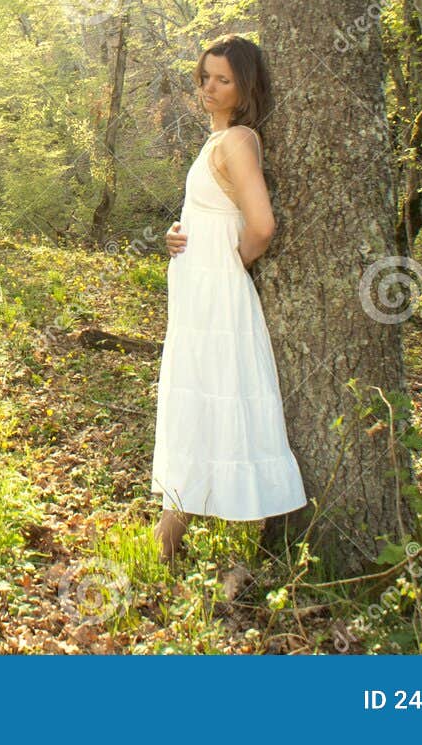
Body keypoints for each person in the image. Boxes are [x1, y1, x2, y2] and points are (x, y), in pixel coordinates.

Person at [150, 35, 306, 564]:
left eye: (224, 80)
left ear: (245, 88)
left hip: (216, 295)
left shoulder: (238, 140)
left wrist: (224, 265)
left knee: (216, 396)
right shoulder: (217, 140)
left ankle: (172, 541)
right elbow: (216, 212)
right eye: (205, 77)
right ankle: (170, 539)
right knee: (198, 397)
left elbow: (261, 226)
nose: (209, 88)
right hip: (196, 295)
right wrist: (183, 232)